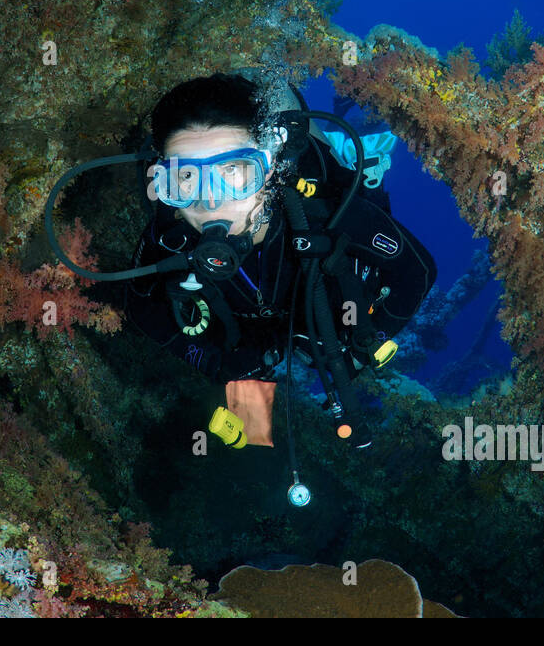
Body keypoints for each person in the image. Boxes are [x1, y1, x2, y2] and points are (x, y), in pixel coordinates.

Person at [123, 72, 436, 447]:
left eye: (234, 172)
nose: (210, 202)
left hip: (326, 305)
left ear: (269, 169)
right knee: (247, 446)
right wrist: (212, 363)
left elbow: (417, 270)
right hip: (249, 332)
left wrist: (363, 345)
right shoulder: (170, 234)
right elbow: (141, 307)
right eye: (186, 177)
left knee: (350, 182)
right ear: (162, 184)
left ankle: (354, 158)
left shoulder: (328, 215)